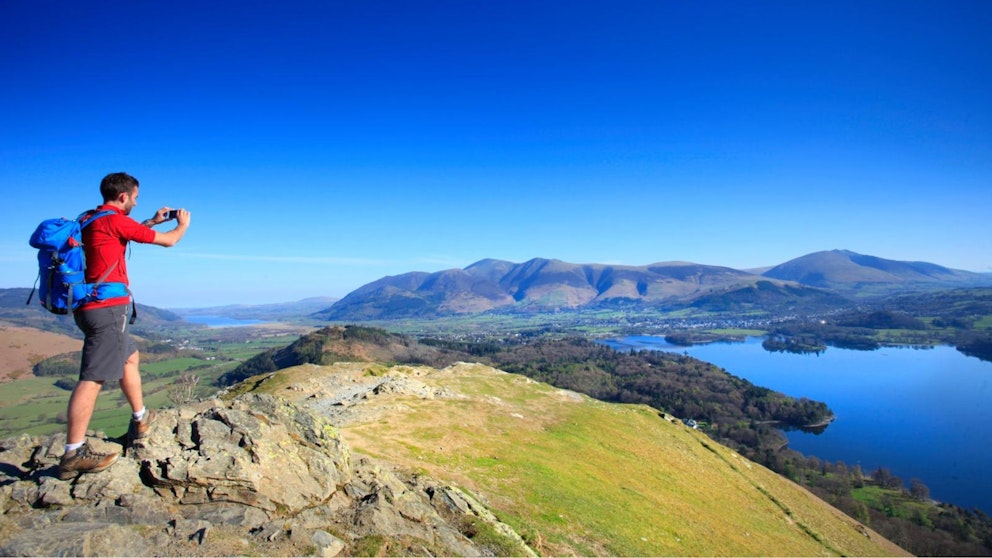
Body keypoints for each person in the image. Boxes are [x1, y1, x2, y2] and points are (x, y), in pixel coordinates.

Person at [59, 172, 191, 480]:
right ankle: (73, 453)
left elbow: (125, 235)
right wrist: (181, 224)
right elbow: (170, 242)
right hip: (106, 309)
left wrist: (153, 221)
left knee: (129, 356)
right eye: (135, 197)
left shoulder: (92, 218)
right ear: (123, 197)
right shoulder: (113, 220)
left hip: (89, 305)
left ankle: (140, 418)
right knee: (92, 378)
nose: (135, 201)